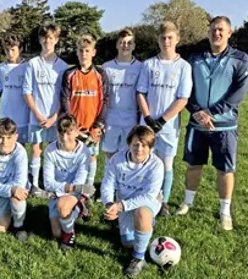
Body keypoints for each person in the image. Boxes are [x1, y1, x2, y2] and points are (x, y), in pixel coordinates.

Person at [179, 16, 248, 231]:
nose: (216, 33)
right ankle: (187, 203)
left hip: (225, 127)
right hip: (197, 125)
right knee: (193, 165)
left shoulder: (241, 59)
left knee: (225, 170)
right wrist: (196, 112)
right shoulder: (195, 59)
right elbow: (186, 90)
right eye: (212, 29)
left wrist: (210, 113)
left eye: (221, 30)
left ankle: (225, 211)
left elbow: (236, 95)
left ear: (230, 33)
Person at [136, 21, 193, 216]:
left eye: (170, 37)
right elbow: (141, 92)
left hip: (168, 127)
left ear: (177, 39)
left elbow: (183, 98)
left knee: (166, 164)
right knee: (145, 161)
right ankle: (144, 198)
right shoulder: (149, 64)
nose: (166, 41)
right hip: (148, 124)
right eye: (163, 38)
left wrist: (162, 120)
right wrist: (148, 118)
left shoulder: (184, 67)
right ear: (158, 40)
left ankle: (164, 202)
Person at [101, 125, 166, 279]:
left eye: (144, 145)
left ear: (151, 147)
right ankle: (145, 227)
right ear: (129, 144)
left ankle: (138, 258)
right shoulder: (117, 159)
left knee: (142, 213)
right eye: (136, 144)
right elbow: (107, 184)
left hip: (146, 202)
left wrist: (120, 206)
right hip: (123, 203)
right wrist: (109, 204)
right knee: (127, 243)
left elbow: (149, 196)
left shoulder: (157, 165)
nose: (139, 149)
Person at [59, 34, 110, 213]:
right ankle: (73, 190)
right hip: (75, 127)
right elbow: (65, 100)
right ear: (77, 53)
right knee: (73, 158)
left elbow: (105, 100)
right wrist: (72, 126)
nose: (84, 54)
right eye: (81, 51)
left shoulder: (100, 74)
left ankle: (87, 191)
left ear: (94, 52)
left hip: (92, 127)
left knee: (92, 157)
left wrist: (98, 125)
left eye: (87, 51)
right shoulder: (69, 73)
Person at [24, 24, 70, 197]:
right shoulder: (32, 63)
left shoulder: (63, 66)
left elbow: (64, 96)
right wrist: (37, 114)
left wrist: (54, 117)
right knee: (36, 150)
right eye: (44, 37)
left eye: (51, 37)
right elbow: (26, 92)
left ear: (56, 40)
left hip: (55, 118)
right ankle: (35, 185)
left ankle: (52, 183)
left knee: (55, 151)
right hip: (37, 116)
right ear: (40, 40)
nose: (47, 41)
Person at [43, 114, 92, 251]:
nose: (64, 137)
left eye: (69, 132)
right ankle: (80, 209)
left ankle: (70, 234)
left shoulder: (84, 151)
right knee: (56, 233)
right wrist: (66, 188)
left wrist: (71, 191)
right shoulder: (50, 151)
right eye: (61, 132)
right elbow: (48, 183)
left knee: (63, 206)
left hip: (74, 192)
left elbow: (79, 182)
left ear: (77, 132)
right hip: (57, 192)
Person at [0, 117, 30, 240]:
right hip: (1, 192)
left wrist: (13, 190)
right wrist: (9, 190)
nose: (4, 141)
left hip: (16, 190)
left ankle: (19, 225)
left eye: (9, 137)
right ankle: (6, 209)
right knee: (0, 229)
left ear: (16, 137)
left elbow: (20, 182)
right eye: (1, 137)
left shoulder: (20, 152)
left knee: (17, 198)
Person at [101, 29, 144, 165]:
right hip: (111, 115)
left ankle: (123, 183)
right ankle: (109, 182)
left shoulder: (141, 67)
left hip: (130, 116)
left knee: (128, 151)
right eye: (122, 42)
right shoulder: (106, 67)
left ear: (134, 46)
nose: (125, 45)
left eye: (129, 43)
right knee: (109, 152)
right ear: (117, 45)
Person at [0, 33, 30, 137]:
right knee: (4, 144)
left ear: (20, 49)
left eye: (13, 50)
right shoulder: (1, 68)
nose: (10, 53)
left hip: (22, 115)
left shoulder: (28, 67)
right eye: (7, 50)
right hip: (5, 114)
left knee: (21, 147)